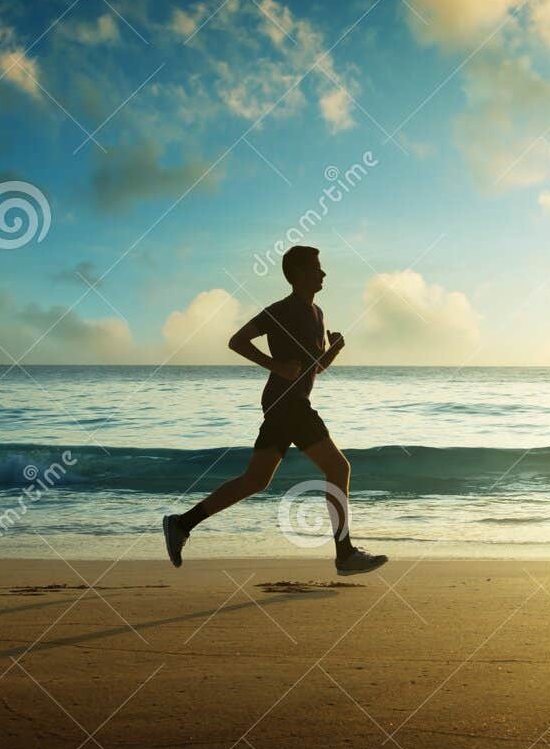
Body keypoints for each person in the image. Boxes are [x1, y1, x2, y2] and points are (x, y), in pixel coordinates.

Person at [162, 245, 387, 576]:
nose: (323, 274)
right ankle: (345, 554)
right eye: (316, 268)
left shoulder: (318, 314)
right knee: (338, 468)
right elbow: (237, 341)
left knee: (255, 480)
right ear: (297, 274)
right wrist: (275, 365)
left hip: (289, 404)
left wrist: (334, 351)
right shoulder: (281, 310)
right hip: (288, 403)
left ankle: (182, 523)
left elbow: (313, 369)